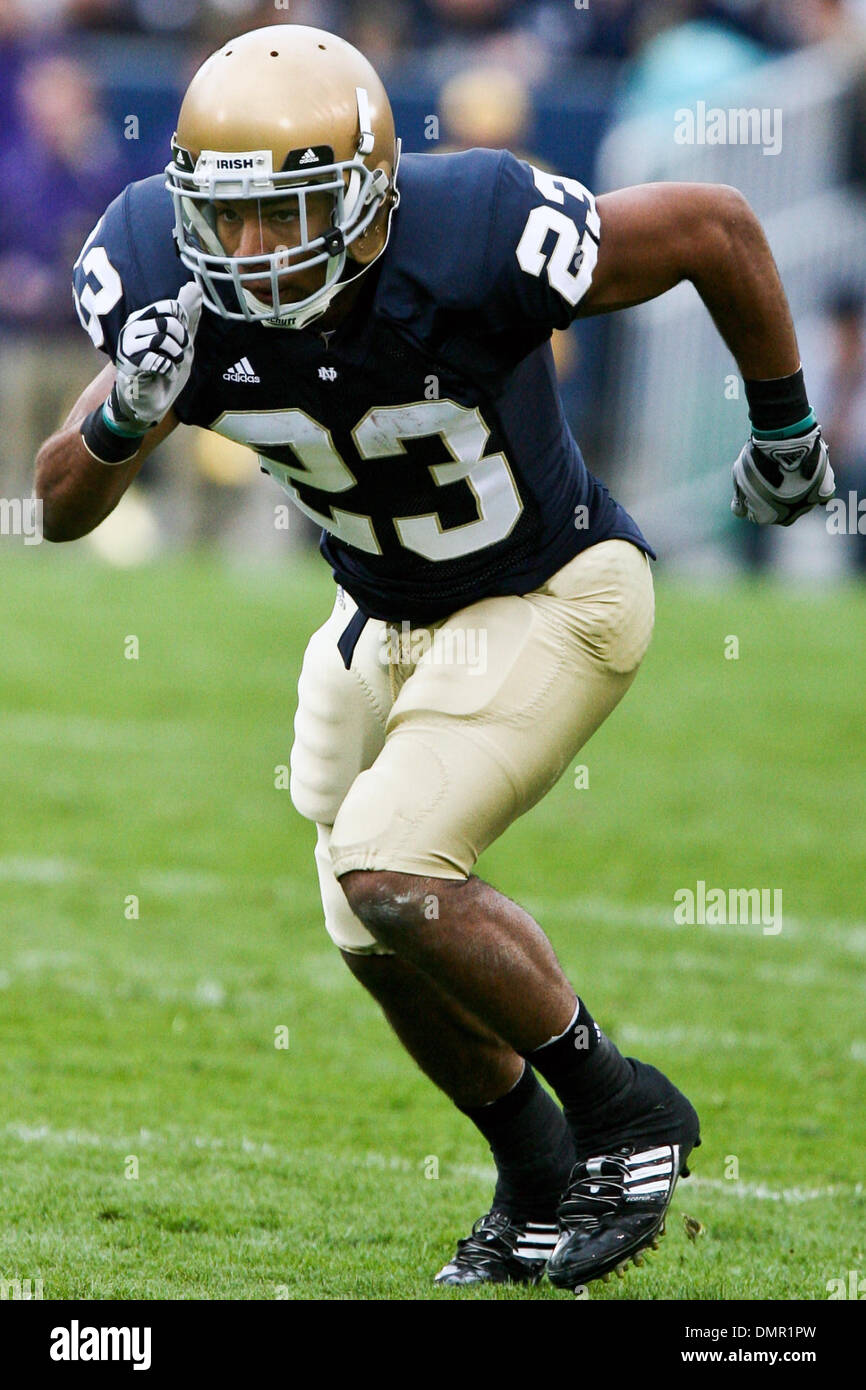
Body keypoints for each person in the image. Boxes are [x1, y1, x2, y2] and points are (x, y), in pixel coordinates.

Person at [34, 24, 833, 1291]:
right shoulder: (152, 274)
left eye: (286, 211)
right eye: (224, 218)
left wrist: (785, 431)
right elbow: (61, 505)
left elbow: (714, 226)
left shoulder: (473, 232)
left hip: (551, 586)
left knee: (385, 866)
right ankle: (529, 1172)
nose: (254, 251)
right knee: (363, 922)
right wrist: (129, 413)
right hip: (378, 609)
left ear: (365, 193)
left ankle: (623, 1115)